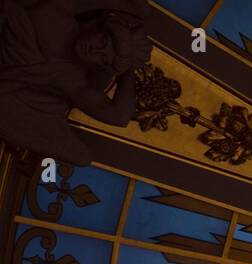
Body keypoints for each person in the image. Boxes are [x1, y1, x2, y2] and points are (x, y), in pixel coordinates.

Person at [0, 0, 152, 165]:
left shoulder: (72, 80)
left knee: (78, 154)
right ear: (99, 29)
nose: (94, 50)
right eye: (103, 42)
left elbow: (120, 117)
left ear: (101, 68)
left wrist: (126, 72)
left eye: (103, 58)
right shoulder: (60, 13)